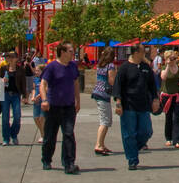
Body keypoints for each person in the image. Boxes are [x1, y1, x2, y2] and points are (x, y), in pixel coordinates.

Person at [114, 44, 159, 170]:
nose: (144, 54)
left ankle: (133, 148)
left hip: (143, 105)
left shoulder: (145, 67)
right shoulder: (124, 68)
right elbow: (118, 86)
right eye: (142, 52)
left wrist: (155, 99)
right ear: (135, 53)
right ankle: (132, 160)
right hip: (128, 106)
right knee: (129, 134)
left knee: (146, 131)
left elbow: (152, 85)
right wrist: (118, 102)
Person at [39, 42, 81, 174]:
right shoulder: (51, 67)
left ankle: (69, 163)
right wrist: (44, 100)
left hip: (68, 106)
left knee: (69, 134)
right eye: (70, 51)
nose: (72, 54)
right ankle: (46, 159)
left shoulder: (73, 66)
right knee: (50, 136)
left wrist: (77, 100)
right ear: (62, 52)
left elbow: (75, 83)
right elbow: (43, 84)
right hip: (53, 107)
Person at [0, 50, 30, 146]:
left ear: (16, 59)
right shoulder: (3, 69)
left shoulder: (20, 70)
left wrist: (25, 96)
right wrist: (2, 81)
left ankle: (14, 134)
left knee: (17, 116)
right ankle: (6, 138)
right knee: (5, 117)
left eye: (12, 57)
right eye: (9, 57)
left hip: (16, 94)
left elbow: (23, 84)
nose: (10, 59)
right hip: (5, 94)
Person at [90, 48, 118, 155]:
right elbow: (111, 81)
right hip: (104, 93)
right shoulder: (110, 66)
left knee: (105, 119)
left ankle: (102, 143)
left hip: (97, 91)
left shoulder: (100, 65)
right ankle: (98, 145)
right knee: (105, 121)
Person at [160, 51, 179, 148]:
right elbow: (163, 77)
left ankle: (177, 140)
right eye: (171, 58)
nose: (173, 60)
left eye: (174, 58)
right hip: (167, 96)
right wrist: (167, 65)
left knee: (176, 118)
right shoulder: (164, 68)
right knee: (168, 117)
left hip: (178, 96)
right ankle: (168, 138)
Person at [30, 58, 46, 144]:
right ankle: (42, 133)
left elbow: (46, 89)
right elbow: (33, 89)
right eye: (36, 71)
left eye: (38, 71)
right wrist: (33, 97)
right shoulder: (35, 79)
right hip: (36, 101)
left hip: (43, 100)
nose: (36, 72)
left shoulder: (45, 79)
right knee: (36, 118)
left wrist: (39, 96)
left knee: (42, 118)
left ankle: (43, 135)